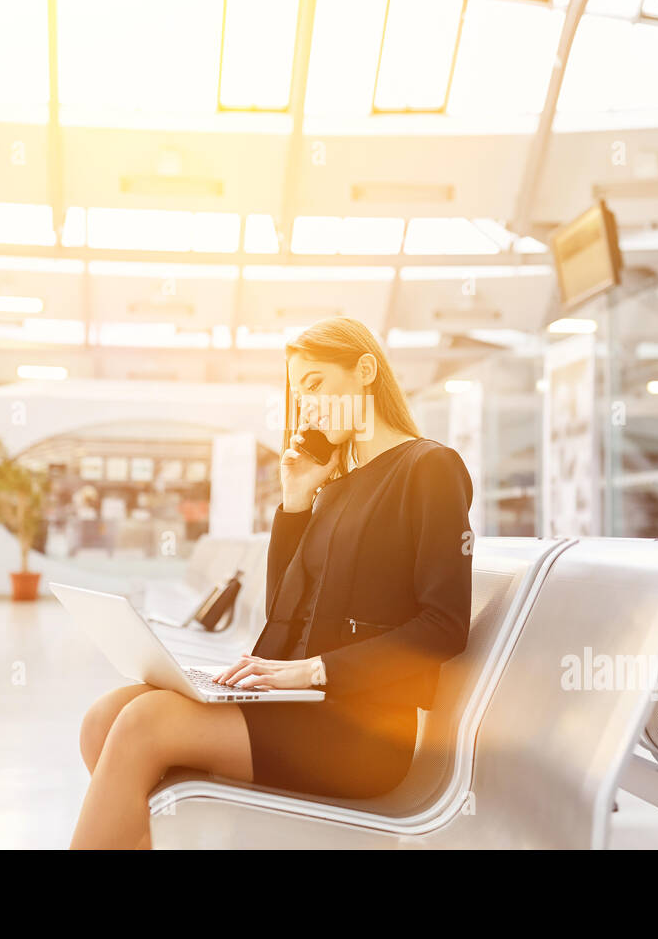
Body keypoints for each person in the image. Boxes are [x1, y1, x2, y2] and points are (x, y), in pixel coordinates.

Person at [72, 316, 475, 849]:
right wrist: (296, 500)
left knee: (144, 723)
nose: (306, 406)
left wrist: (313, 671)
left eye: (315, 386)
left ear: (365, 372)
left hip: (362, 732)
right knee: (103, 718)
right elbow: (283, 607)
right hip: (298, 708)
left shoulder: (430, 468)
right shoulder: (335, 485)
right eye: (298, 394)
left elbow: (445, 626)